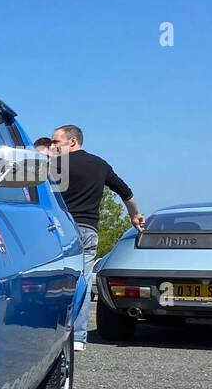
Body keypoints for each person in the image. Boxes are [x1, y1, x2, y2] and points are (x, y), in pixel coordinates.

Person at [48, 124, 145, 351]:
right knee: (81, 280)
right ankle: (79, 338)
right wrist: (135, 216)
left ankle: (49, 336)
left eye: (56, 142)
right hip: (88, 230)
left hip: (59, 230)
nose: (52, 146)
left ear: (72, 141)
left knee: (52, 282)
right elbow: (126, 192)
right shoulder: (100, 164)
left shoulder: (53, 165)